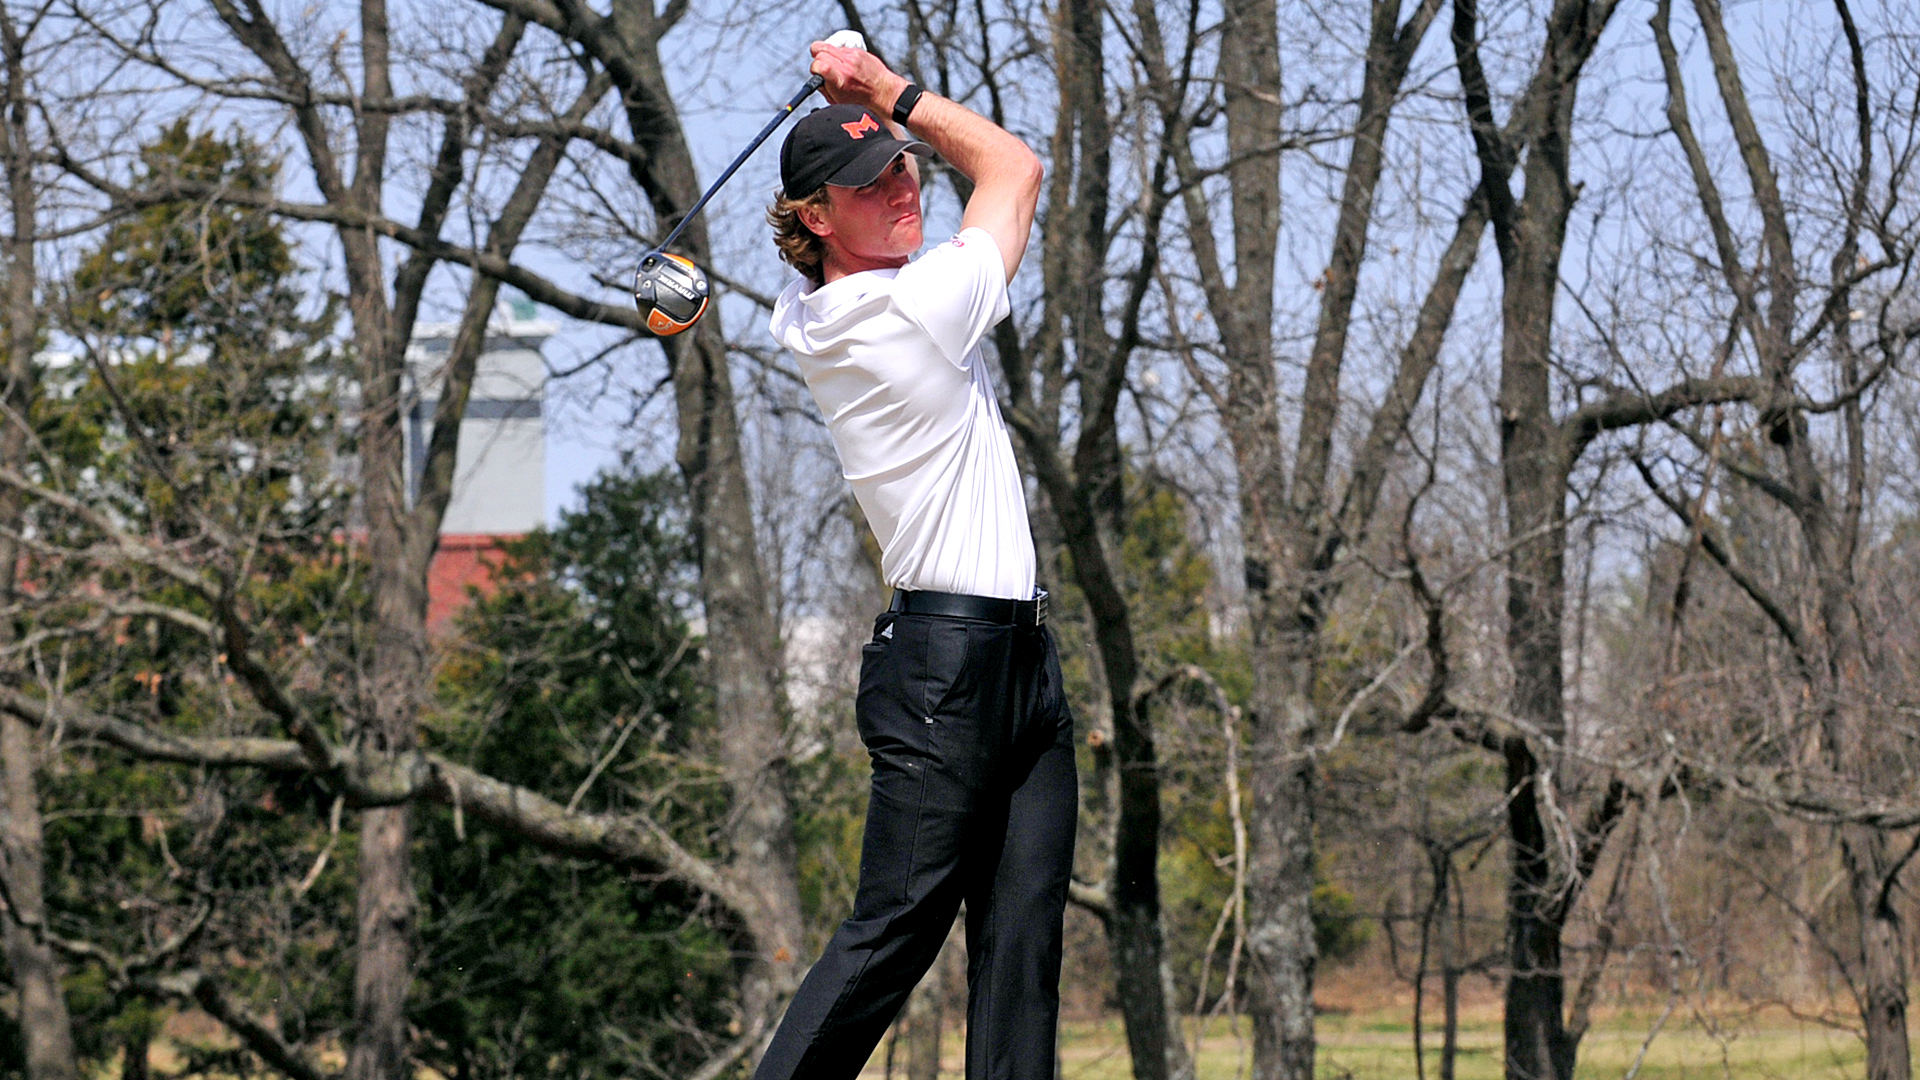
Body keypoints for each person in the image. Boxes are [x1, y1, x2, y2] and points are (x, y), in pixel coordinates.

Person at [756, 38, 1076, 1080]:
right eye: (868, 184)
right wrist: (888, 90)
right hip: (946, 670)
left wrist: (861, 109)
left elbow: (955, 189)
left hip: (1017, 661)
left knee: (1021, 954)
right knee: (888, 937)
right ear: (815, 219)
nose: (902, 189)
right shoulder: (902, 310)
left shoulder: (827, 303)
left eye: (900, 165)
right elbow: (1015, 167)